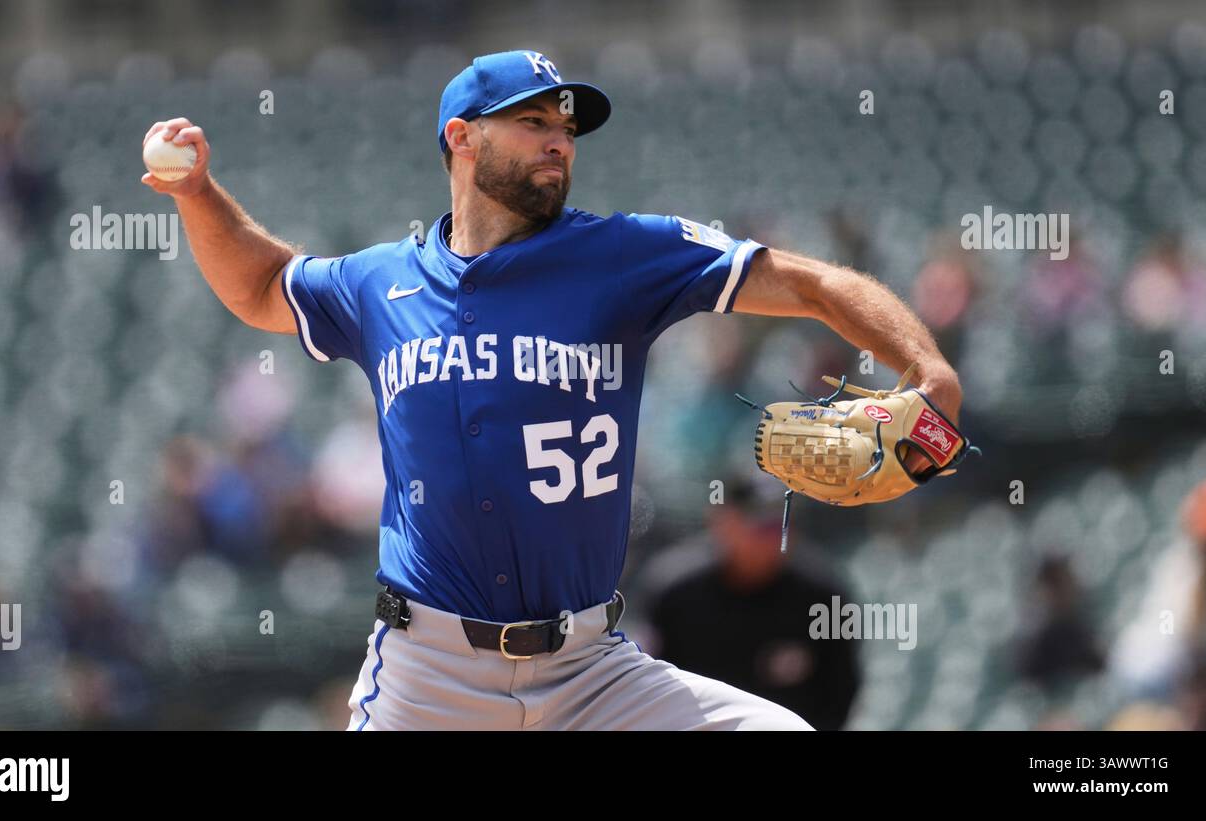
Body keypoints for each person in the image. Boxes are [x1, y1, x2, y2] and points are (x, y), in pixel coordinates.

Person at [142, 50, 964, 730]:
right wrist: (197, 194)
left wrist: (927, 368)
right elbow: (262, 287)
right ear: (461, 137)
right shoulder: (380, 282)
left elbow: (812, 284)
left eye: (566, 129)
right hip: (428, 679)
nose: (558, 143)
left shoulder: (623, 255)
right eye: (533, 122)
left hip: (592, 672)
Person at [646, 478, 861, 730]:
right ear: (722, 522)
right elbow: (654, 685)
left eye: (780, 525)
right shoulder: (675, 593)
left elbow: (841, 691)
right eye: (759, 526)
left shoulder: (823, 595)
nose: (772, 537)